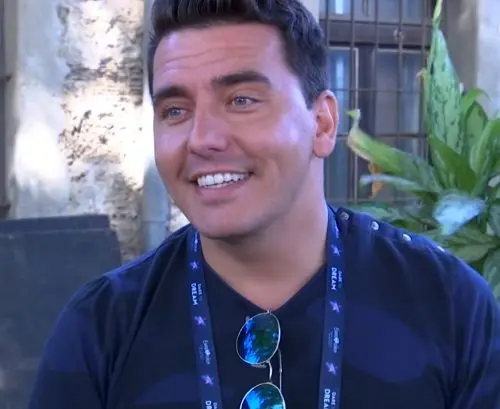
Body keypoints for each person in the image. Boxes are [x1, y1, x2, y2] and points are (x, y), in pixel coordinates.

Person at [28, 0, 500, 408]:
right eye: (175, 110)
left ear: (322, 123)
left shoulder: (448, 307)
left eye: (241, 100)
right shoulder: (103, 329)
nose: (202, 138)